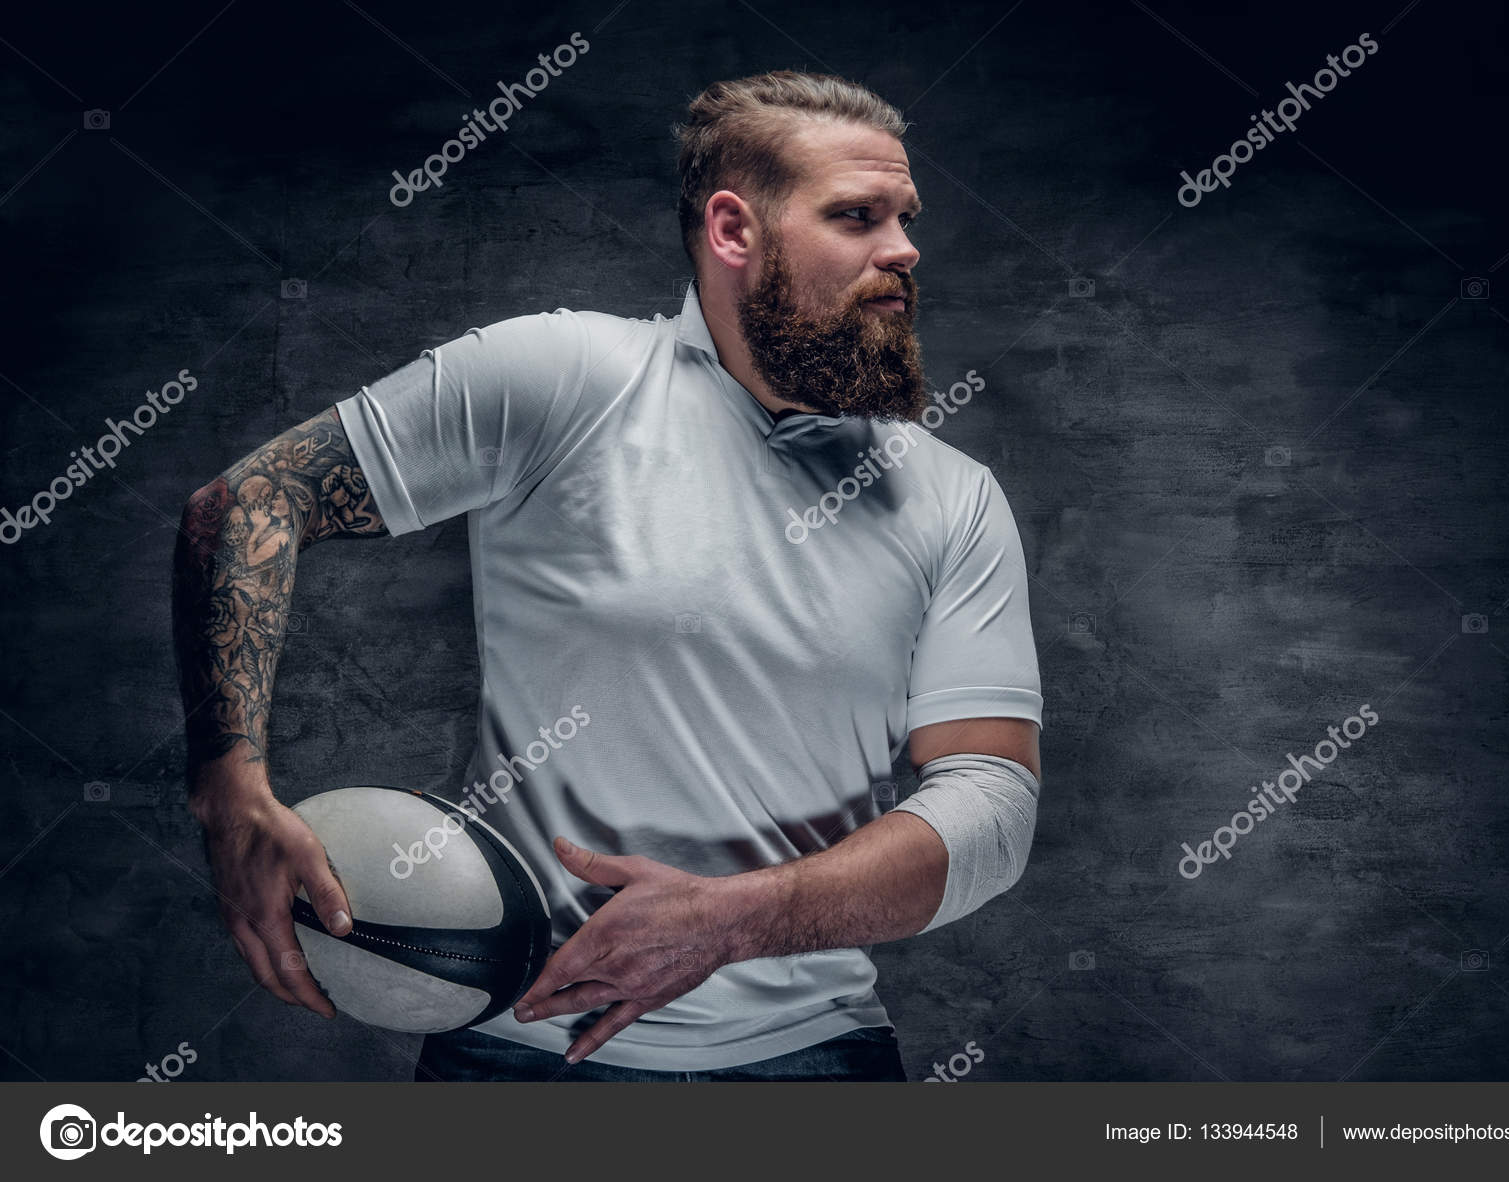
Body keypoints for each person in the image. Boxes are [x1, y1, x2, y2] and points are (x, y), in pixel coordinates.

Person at [172, 69, 1043, 1083]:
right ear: (733, 232)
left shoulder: (953, 496)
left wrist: (734, 919)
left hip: (813, 1063)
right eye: (857, 217)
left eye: (903, 216)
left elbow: (992, 798)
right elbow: (250, 503)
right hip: (513, 1060)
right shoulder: (558, 377)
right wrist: (230, 794)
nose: (903, 250)